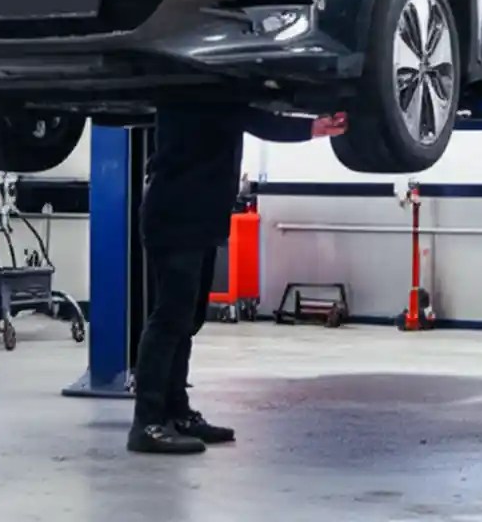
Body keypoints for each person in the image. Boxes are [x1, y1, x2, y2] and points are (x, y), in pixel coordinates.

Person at [128, 102, 347, 455]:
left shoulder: (216, 83)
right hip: (176, 214)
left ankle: (177, 412)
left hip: (200, 217)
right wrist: (311, 128)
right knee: (170, 319)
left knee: (187, 320)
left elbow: (250, 117)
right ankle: (147, 423)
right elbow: (259, 121)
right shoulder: (200, 81)